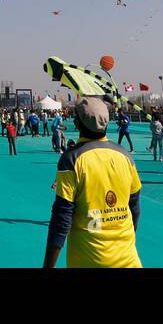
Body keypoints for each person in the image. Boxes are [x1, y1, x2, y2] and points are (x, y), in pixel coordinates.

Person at [44, 97, 142, 268]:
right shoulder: (125, 156)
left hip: (89, 259)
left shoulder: (71, 159)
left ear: (77, 123)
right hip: (128, 259)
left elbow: (62, 217)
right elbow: (134, 207)